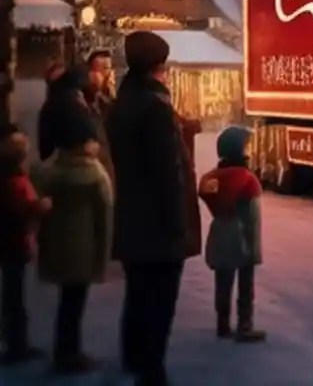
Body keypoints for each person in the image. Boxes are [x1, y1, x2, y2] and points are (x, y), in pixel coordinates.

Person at [109, 31, 200, 386]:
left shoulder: (123, 103)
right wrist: (178, 223)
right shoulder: (155, 108)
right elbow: (167, 172)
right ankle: (151, 371)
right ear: (157, 66)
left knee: (137, 295)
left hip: (133, 217)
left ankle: (134, 358)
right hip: (158, 225)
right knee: (159, 302)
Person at [33, 116, 113, 374]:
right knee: (75, 304)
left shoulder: (45, 171)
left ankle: (62, 350)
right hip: (84, 247)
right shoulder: (94, 175)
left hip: (57, 245)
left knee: (66, 302)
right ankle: (70, 354)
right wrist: (104, 258)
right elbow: (105, 215)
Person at [198, 127, 266, 343]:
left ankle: (222, 323)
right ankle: (244, 325)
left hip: (219, 231)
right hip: (243, 234)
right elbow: (252, 215)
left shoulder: (211, 177)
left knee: (223, 281)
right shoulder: (246, 178)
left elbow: (207, 194)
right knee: (245, 282)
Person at [0, 127, 51, 365]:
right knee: (14, 295)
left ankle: (15, 340)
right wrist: (40, 206)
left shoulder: (11, 174)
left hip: (12, 239)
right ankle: (16, 344)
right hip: (13, 241)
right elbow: (20, 208)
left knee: (13, 294)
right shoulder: (11, 178)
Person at [84, 50, 116, 184]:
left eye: (108, 69)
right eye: (103, 69)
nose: (108, 75)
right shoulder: (86, 100)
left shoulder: (107, 97)